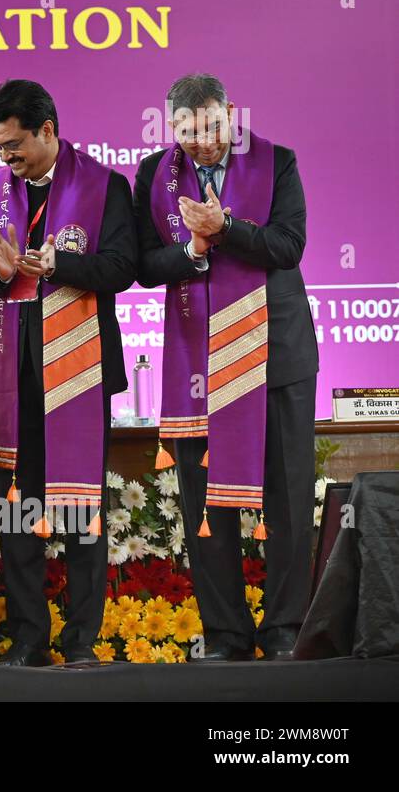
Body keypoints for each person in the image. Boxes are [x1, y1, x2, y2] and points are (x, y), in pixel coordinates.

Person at [0, 79, 136, 666]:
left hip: (80, 370)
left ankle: (81, 641)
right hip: (15, 373)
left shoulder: (106, 186)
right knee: (15, 506)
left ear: (48, 130)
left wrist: (65, 264)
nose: (5, 156)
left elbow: (124, 267)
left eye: (14, 144)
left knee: (80, 507)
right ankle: (28, 638)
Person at [134, 73, 317, 662]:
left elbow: (288, 247)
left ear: (230, 115)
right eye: (187, 135)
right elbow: (142, 264)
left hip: (277, 354)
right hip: (198, 361)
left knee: (287, 498)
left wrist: (225, 230)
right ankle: (226, 634)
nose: (202, 145)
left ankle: (286, 628)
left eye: (211, 129)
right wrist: (191, 250)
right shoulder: (155, 177)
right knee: (204, 503)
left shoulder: (277, 163)